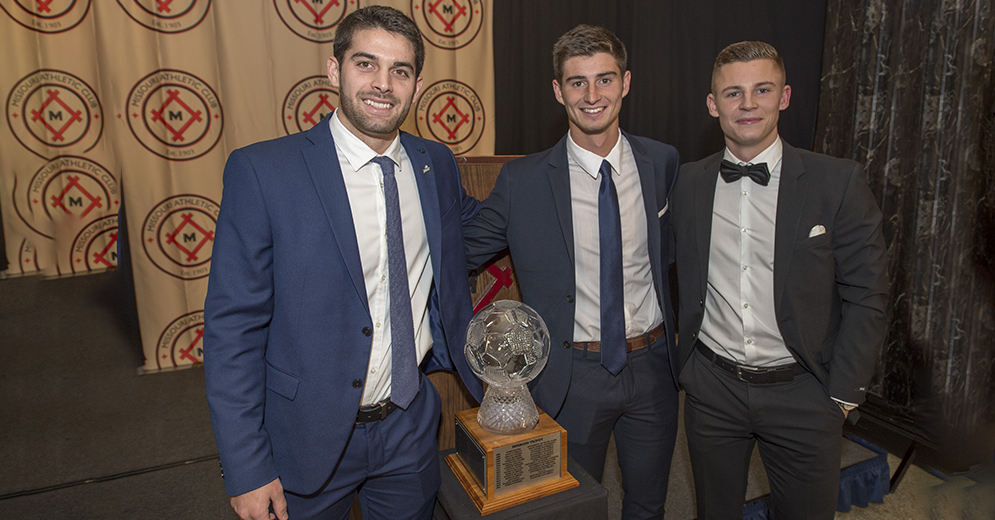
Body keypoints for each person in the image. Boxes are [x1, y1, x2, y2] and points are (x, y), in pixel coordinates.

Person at [203, 6, 482, 520]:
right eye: (365, 64)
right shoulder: (263, 172)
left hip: (409, 426)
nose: (383, 84)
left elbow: (477, 231)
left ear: (417, 86)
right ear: (334, 71)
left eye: (400, 71)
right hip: (302, 436)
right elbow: (231, 330)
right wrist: (245, 466)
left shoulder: (434, 164)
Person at [464, 24, 680, 520]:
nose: (592, 95)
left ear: (626, 83)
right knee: (570, 508)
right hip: (570, 378)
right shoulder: (521, 182)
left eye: (604, 79)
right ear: (558, 91)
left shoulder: (662, 162)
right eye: (577, 82)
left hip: (652, 370)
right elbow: (460, 252)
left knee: (650, 504)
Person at [671, 41, 889, 519]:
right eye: (733, 93)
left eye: (762, 89)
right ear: (713, 105)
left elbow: (868, 296)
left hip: (805, 392)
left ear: (784, 96)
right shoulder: (688, 183)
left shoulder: (838, 182)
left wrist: (843, 395)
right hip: (712, 390)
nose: (747, 104)